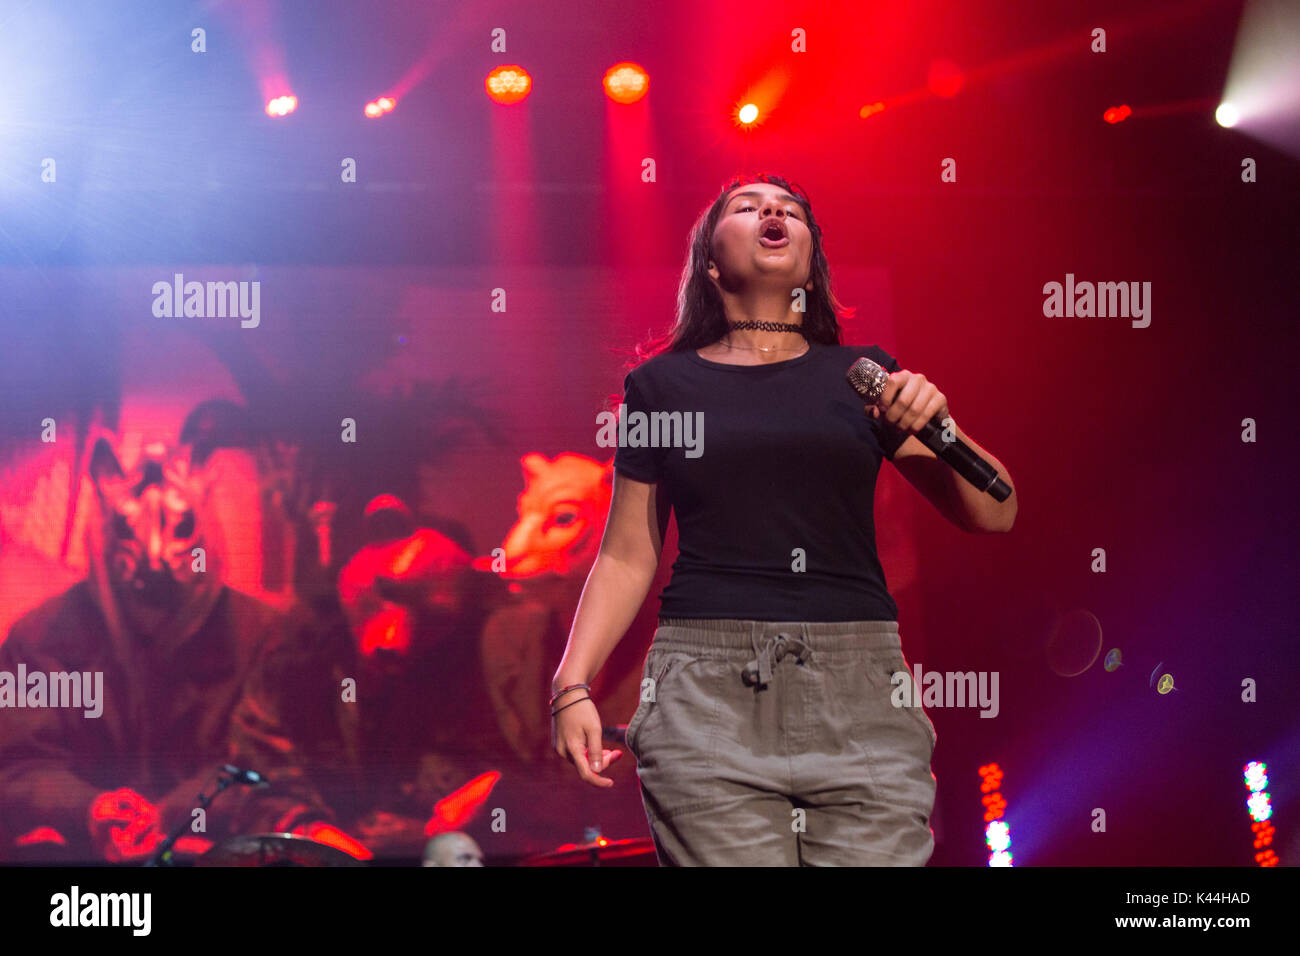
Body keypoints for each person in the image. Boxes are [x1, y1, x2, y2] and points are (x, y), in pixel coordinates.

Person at [550, 173, 1017, 865]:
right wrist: (571, 685)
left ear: (809, 262)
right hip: (707, 692)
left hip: (858, 687)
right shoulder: (661, 387)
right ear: (711, 261)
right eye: (748, 207)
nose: (773, 211)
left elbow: (995, 512)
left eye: (791, 211)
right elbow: (625, 554)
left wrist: (940, 422)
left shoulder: (866, 379)